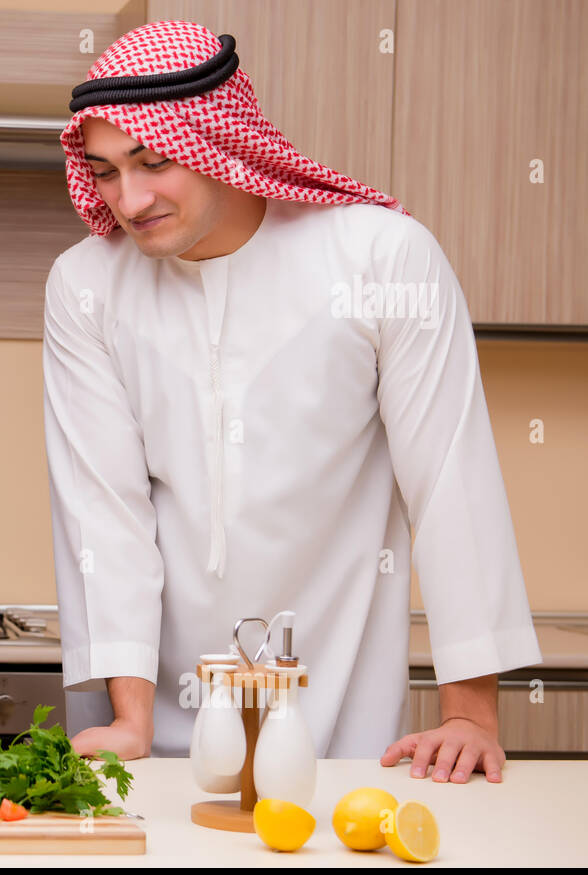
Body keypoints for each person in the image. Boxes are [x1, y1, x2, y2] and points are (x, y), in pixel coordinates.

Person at [44, 22, 541, 781]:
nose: (129, 198)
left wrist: (469, 714)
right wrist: (130, 721)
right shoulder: (85, 286)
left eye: (153, 161)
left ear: (222, 141)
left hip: (339, 722)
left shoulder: (381, 258)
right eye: (105, 171)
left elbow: (448, 484)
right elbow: (105, 510)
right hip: (145, 740)